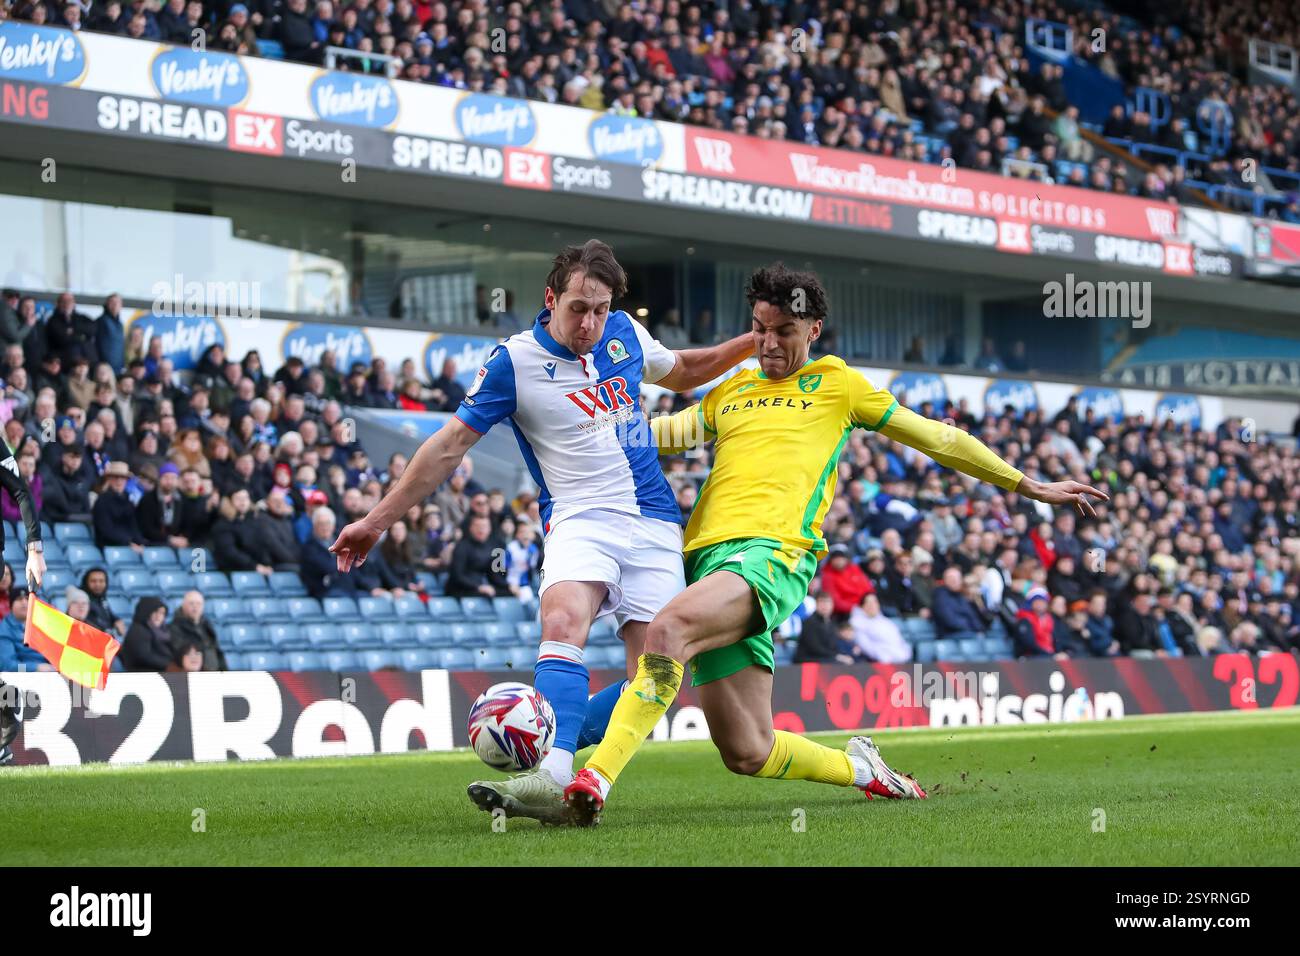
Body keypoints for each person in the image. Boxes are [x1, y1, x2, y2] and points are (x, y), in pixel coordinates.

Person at [563, 262, 1107, 825]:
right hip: (706, 561)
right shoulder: (733, 389)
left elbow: (938, 437)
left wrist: (1029, 484)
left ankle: (591, 780)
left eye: (783, 333)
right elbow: (662, 435)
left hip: (773, 554)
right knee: (747, 750)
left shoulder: (838, 385)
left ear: (813, 331)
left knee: (667, 630)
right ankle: (864, 770)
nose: (768, 344)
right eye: (759, 329)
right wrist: (571, 427)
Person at [328, 239, 753, 824]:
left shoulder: (624, 333)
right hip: (580, 514)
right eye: (579, 307)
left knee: (654, 677)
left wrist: (753, 343)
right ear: (551, 298)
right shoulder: (514, 361)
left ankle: (556, 754)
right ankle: (551, 774)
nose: (590, 322)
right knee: (562, 621)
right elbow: (449, 447)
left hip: (654, 519)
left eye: (601, 309)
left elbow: (681, 371)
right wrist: (376, 522)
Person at [169, 590, 227, 671]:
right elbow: (181, 653)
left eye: (198, 604)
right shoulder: (175, 627)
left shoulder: (207, 626)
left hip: (214, 673)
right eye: (191, 603)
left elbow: (217, 650)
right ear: (183, 605)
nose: (195, 607)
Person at [848, 592, 910, 663]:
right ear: (862, 606)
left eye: (875, 602)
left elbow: (900, 641)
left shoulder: (887, 622)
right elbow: (865, 647)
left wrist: (904, 655)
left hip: (900, 661)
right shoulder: (857, 623)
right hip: (877, 664)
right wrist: (885, 657)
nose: (872, 605)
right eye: (868, 603)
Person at [0, 587, 50, 673]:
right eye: (19, 599)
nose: (24, 602)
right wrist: (35, 668)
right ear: (11, 605)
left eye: (27, 599)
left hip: (52, 673)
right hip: (22, 678)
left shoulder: (44, 624)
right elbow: (8, 666)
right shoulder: (5, 629)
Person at [120, 596, 173, 672]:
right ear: (146, 611)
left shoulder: (162, 631)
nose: (158, 616)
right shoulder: (138, 630)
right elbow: (145, 657)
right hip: (142, 675)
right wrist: (169, 664)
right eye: (155, 612)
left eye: (162, 613)